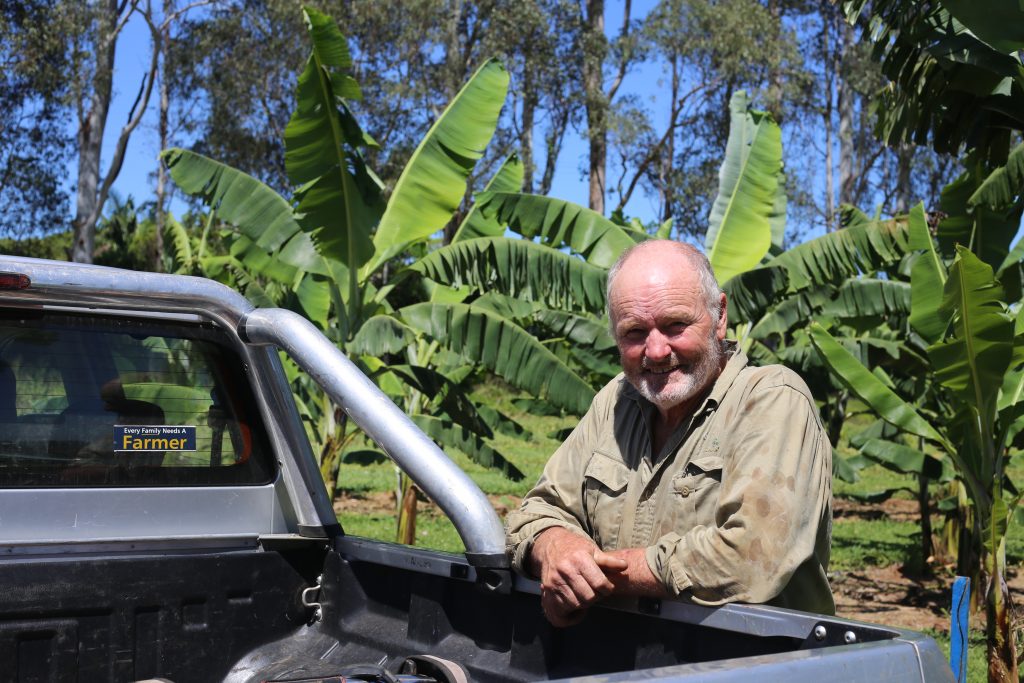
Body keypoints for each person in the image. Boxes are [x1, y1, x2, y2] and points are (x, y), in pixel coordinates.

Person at [505, 240, 834, 627]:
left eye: (675, 325)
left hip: (747, 664)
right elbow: (536, 511)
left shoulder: (771, 398)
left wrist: (598, 574)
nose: (656, 350)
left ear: (720, 316)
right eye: (635, 332)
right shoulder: (616, 401)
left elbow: (752, 558)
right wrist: (555, 547)